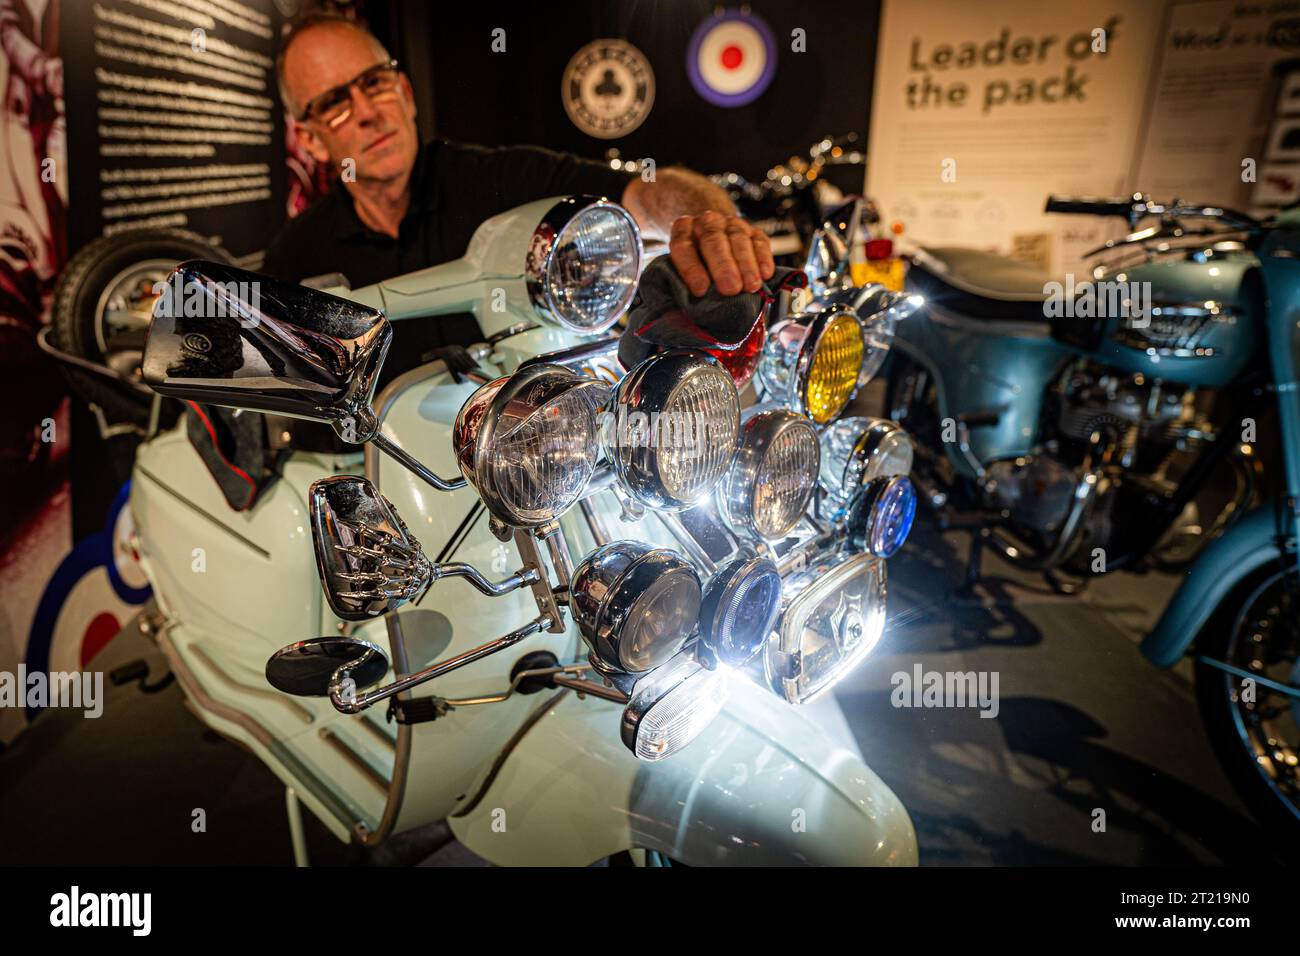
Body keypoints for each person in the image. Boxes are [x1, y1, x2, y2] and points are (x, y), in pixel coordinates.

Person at [263, 13, 775, 303]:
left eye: (373, 83)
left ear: (405, 92)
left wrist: (709, 225)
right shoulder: (295, 259)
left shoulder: (503, 178)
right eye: (334, 104)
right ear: (308, 140)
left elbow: (645, 193)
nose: (367, 113)